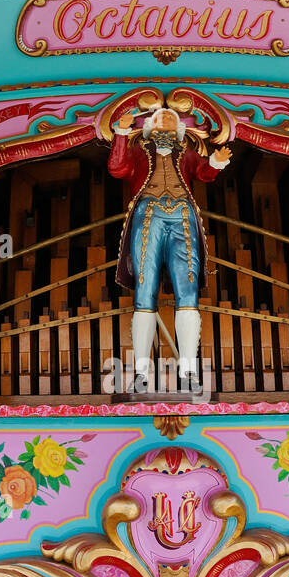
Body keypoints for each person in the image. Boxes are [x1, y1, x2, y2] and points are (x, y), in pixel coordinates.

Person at [108, 106, 230, 391]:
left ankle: (188, 370)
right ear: (150, 126)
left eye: (170, 118)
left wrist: (216, 161)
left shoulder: (186, 152)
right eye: (160, 118)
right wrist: (122, 133)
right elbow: (117, 168)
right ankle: (141, 372)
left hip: (182, 215)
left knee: (187, 289)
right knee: (144, 289)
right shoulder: (139, 151)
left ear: (177, 129)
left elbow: (203, 173)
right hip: (147, 213)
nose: (165, 120)